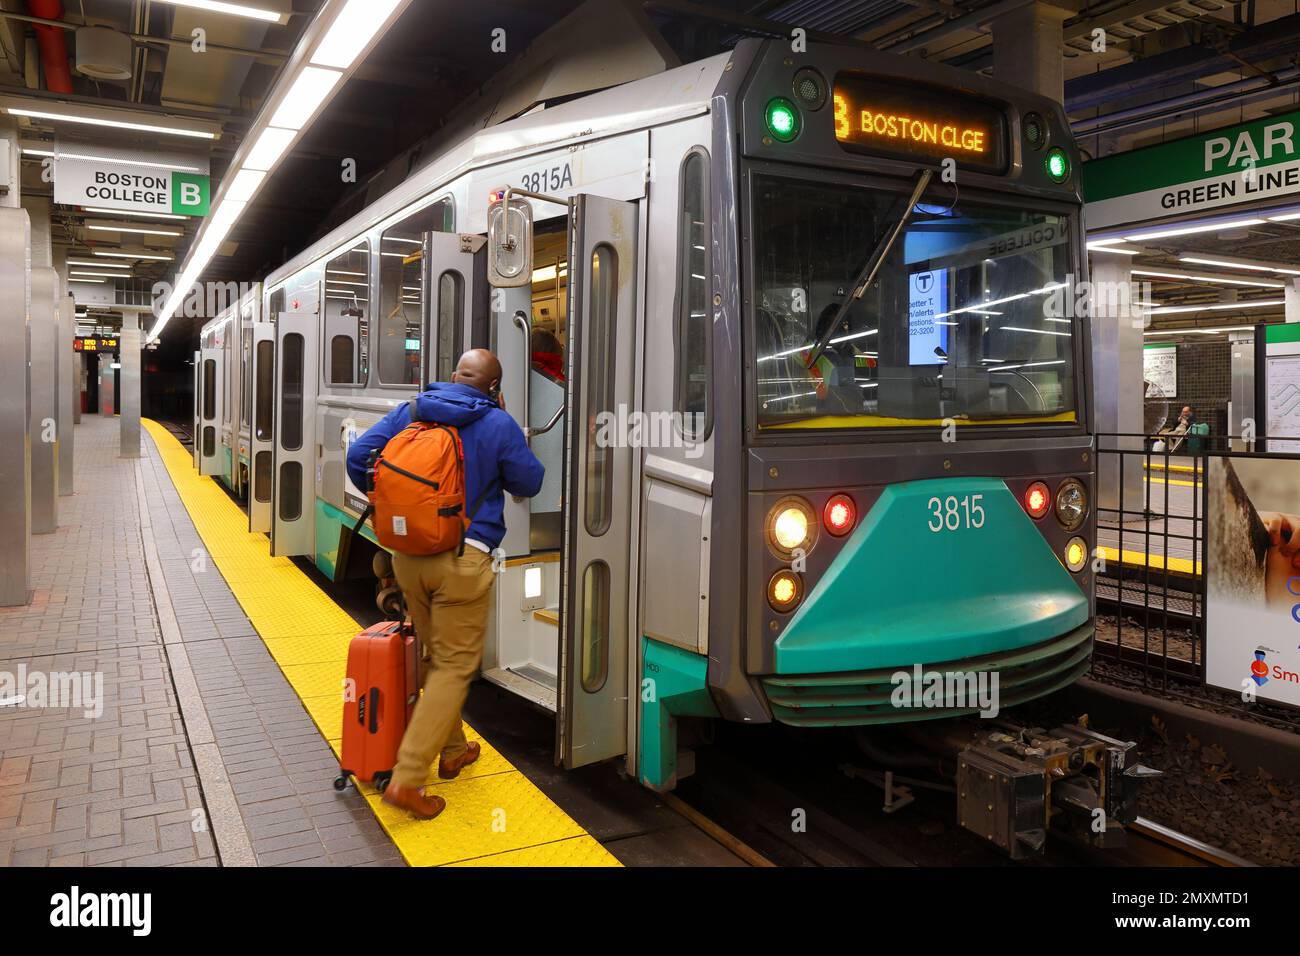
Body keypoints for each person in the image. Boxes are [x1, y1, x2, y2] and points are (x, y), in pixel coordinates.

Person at [345, 349, 544, 820]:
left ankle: (453, 749)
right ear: (494, 388)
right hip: (462, 558)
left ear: (454, 377)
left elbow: (358, 456)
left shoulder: (413, 411)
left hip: (409, 557)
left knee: (436, 656)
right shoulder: (497, 422)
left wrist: (389, 501)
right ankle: (409, 777)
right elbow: (530, 482)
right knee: (454, 668)